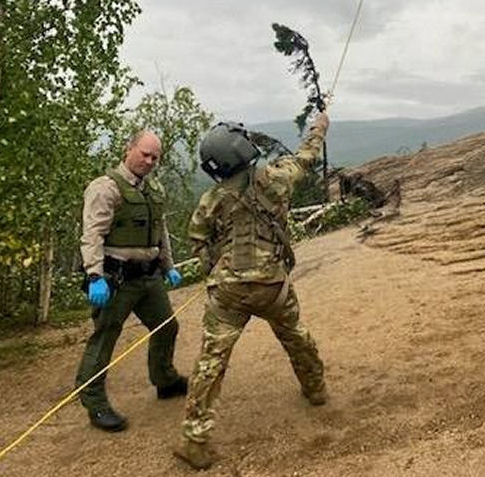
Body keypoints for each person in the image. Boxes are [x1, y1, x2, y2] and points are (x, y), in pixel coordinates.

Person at [175, 112, 330, 469]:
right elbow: (307, 156)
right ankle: (316, 389)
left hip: (227, 292)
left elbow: (198, 238)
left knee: (212, 359)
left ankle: (195, 439)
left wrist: (216, 266)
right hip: (273, 286)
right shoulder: (276, 179)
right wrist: (319, 127)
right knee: (295, 335)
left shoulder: (211, 200)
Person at [76, 130, 188, 432]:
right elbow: (92, 235)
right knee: (104, 337)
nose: (149, 161)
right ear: (129, 149)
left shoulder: (153, 190)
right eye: (145, 154)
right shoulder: (106, 188)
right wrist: (95, 276)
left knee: (167, 326)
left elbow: (159, 231)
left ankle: (164, 379)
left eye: (155, 157)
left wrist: (168, 266)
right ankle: (94, 403)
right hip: (117, 279)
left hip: (149, 276)